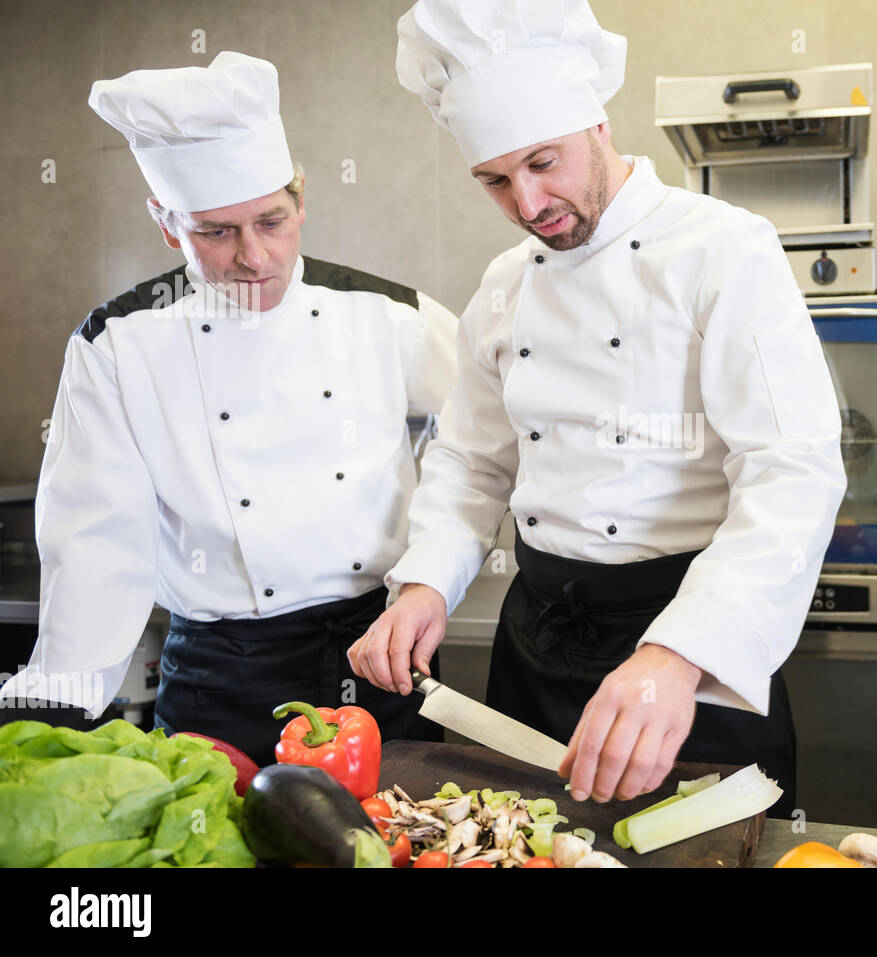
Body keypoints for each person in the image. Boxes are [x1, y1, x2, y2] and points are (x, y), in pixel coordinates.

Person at [348, 0, 845, 816]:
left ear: (599, 125)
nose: (528, 201)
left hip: (688, 640)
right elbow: (471, 459)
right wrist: (425, 584)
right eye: (496, 180)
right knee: (526, 842)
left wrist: (680, 653)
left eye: (545, 161)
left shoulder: (724, 251)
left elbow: (789, 471)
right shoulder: (506, 283)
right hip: (537, 640)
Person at [0, 52, 461, 766]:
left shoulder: (385, 314)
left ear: (302, 201)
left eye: (272, 220)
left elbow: (487, 441)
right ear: (166, 223)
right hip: (218, 678)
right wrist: (49, 718)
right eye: (215, 232)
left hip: (377, 661)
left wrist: (431, 568)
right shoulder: (119, 345)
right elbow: (95, 541)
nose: (253, 256)